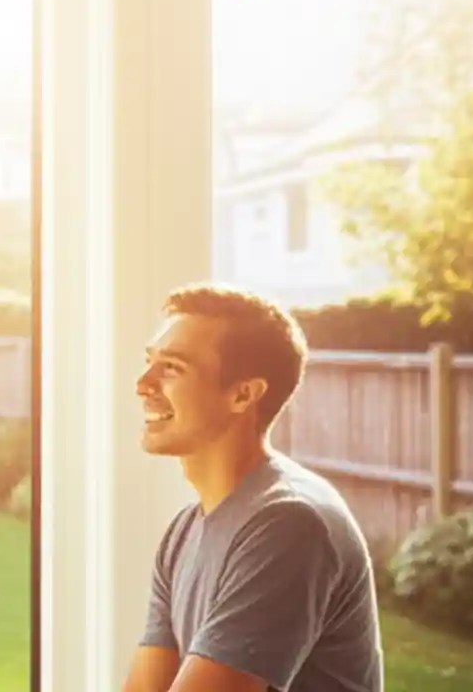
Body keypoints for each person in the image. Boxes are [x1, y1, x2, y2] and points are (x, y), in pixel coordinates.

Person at [122, 283, 383, 692]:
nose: (143, 383)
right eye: (149, 362)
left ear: (243, 394)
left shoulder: (289, 524)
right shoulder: (184, 531)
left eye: (171, 367)